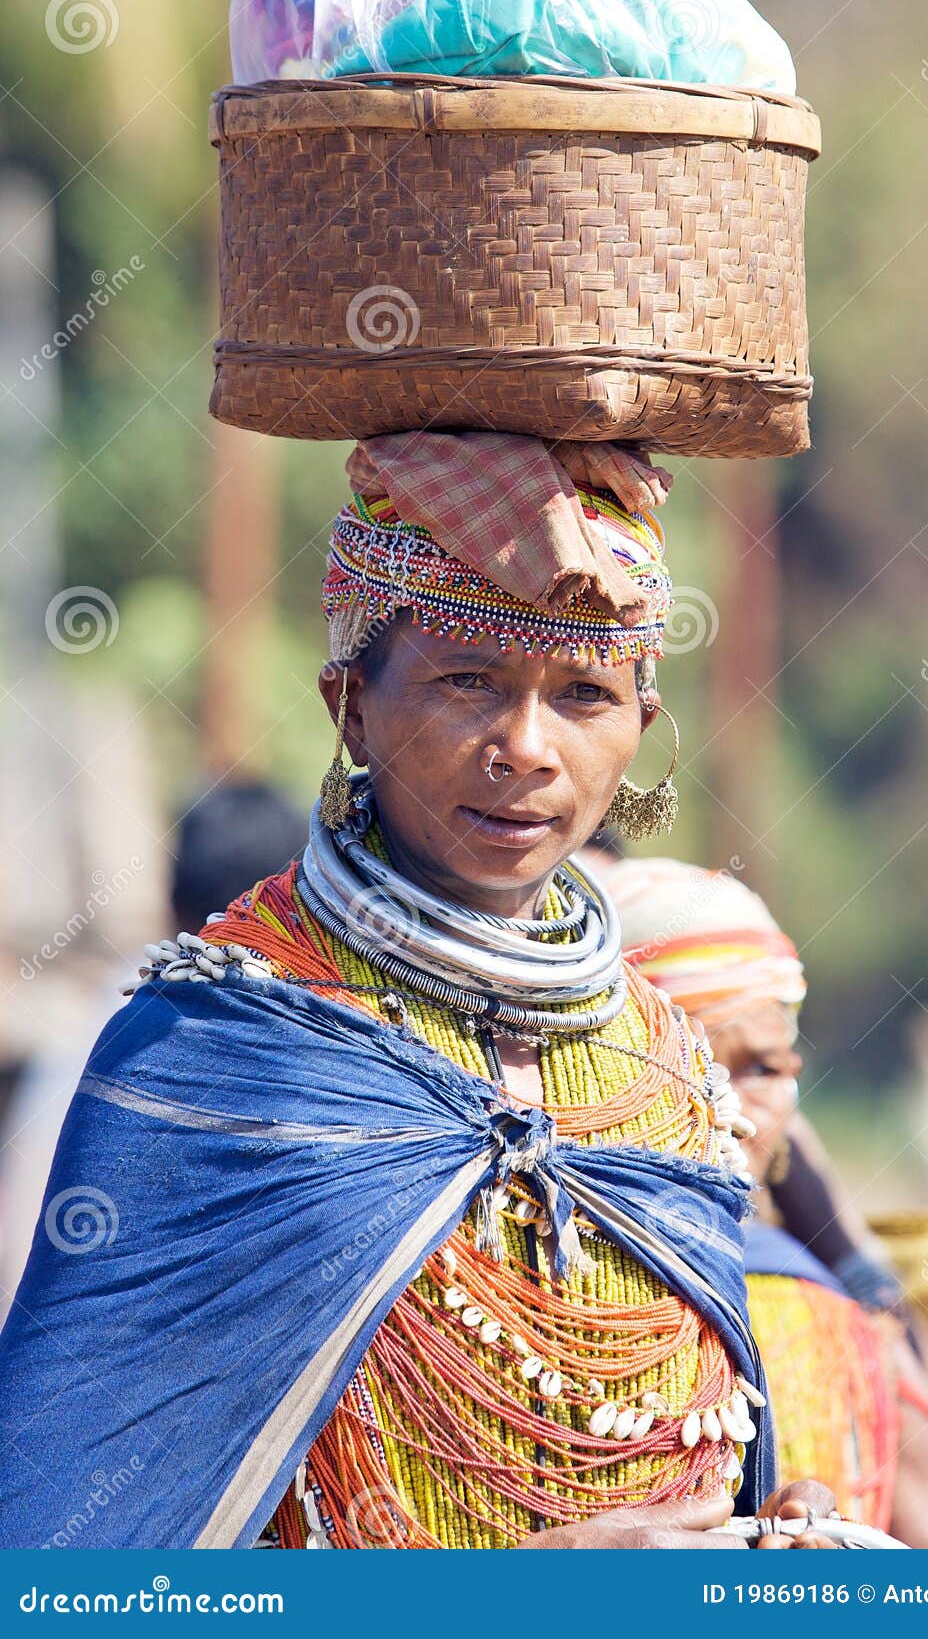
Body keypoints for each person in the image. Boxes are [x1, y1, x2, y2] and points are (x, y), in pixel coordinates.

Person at [0, 460, 838, 1551]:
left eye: (584, 693)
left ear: (643, 721)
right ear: (349, 705)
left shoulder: (671, 1071)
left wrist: (763, 1537)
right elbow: (63, 1579)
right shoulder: (214, 1049)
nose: (527, 747)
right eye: (468, 679)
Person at [605, 856, 928, 1548]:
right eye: (692, 1069)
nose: (732, 1110)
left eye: (764, 1070)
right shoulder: (519, 1297)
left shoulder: (841, 1325)